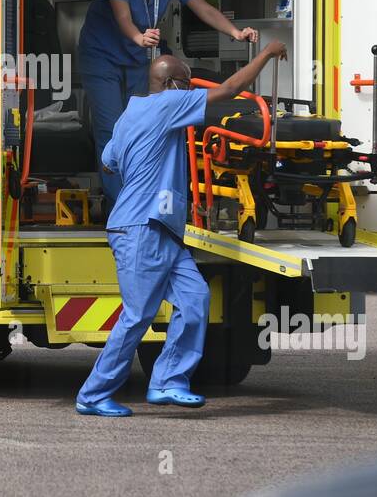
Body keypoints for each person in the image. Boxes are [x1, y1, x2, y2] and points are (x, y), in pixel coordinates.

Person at [75, 42, 288, 417]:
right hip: (140, 228)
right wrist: (266, 53)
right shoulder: (169, 104)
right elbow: (228, 90)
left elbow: (109, 162)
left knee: (195, 300)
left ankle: (168, 381)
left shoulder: (130, 114)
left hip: (164, 230)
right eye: (187, 84)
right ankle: (93, 394)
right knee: (138, 314)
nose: (192, 90)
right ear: (172, 83)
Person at [78, 0, 259, 205]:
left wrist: (236, 32)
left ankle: (141, 195)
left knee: (143, 125)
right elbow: (123, 17)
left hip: (137, 57)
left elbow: (204, 9)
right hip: (102, 57)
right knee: (112, 128)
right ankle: (120, 202)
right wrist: (139, 38)